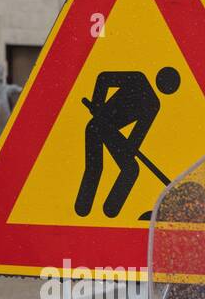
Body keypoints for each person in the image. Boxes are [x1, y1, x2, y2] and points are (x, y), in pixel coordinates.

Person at [75, 67, 180, 218]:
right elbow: (103, 78)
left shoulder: (153, 105)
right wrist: (98, 103)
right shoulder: (138, 79)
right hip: (95, 126)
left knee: (131, 169)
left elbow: (137, 136)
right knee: (95, 167)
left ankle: (110, 210)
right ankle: (82, 208)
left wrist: (129, 148)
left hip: (110, 131)